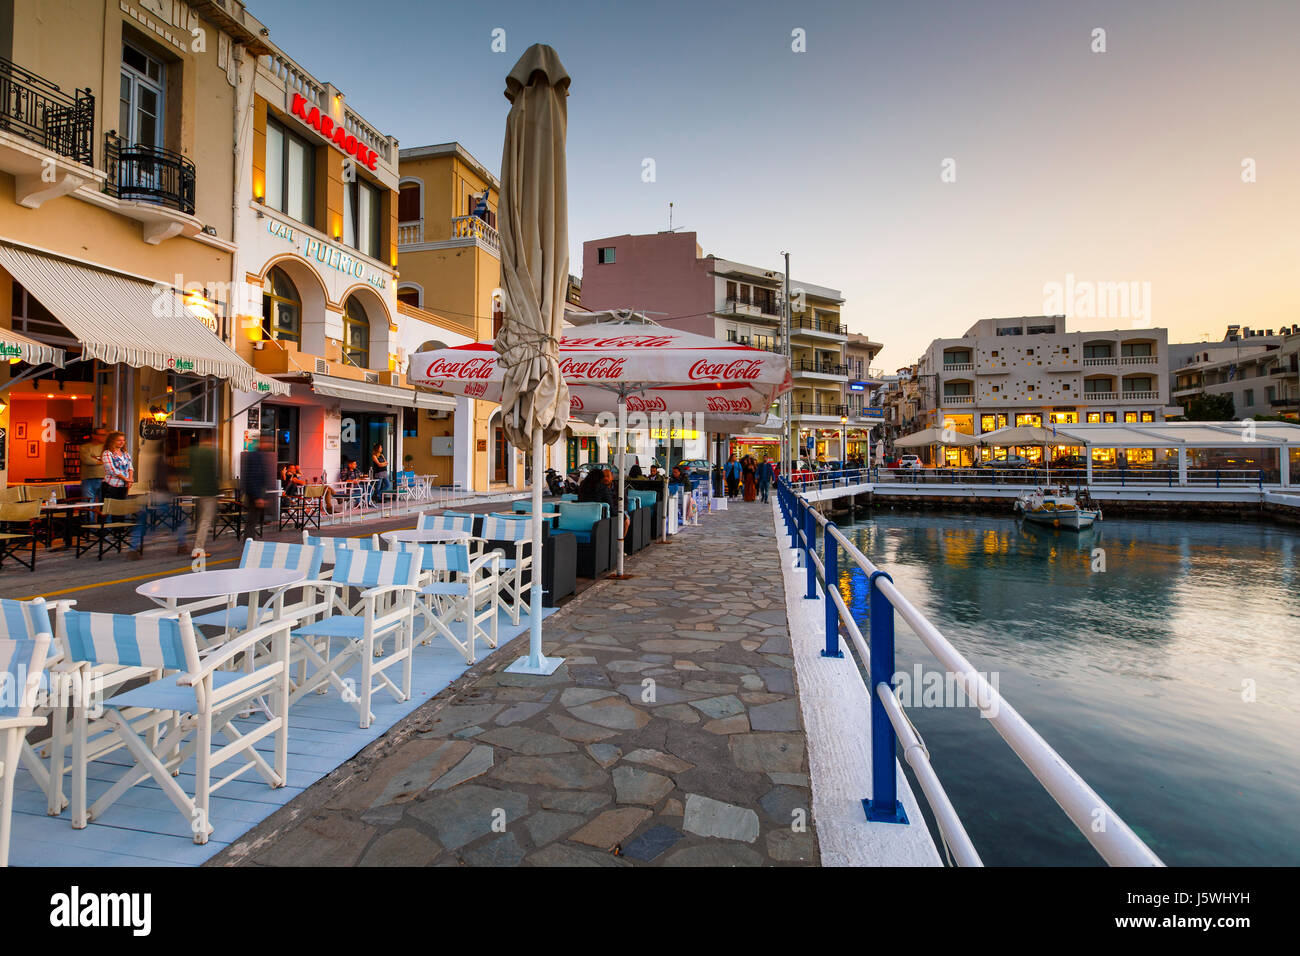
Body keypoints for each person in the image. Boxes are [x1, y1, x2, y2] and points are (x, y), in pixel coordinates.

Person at [128, 440, 183, 558]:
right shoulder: (164, 463)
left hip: (154, 494)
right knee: (178, 521)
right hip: (162, 496)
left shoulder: (157, 460)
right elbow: (166, 481)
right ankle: (182, 545)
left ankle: (134, 547)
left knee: (142, 522)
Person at [188, 433, 219, 559]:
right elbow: (211, 475)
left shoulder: (194, 453)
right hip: (208, 492)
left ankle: (197, 547)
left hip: (198, 491)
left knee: (201, 520)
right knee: (205, 521)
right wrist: (216, 491)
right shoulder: (209, 454)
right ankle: (198, 549)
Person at [240, 433, 275, 540]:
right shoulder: (255, 456)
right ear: (262, 442)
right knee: (252, 520)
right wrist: (257, 497)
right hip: (255, 494)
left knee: (253, 520)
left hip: (258, 493)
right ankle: (249, 543)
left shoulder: (260, 455)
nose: (270, 445)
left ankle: (250, 541)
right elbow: (253, 477)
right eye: (268, 442)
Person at [100, 431, 133, 500]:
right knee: (109, 509)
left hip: (123, 486)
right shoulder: (107, 453)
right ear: (111, 441)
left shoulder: (125, 453)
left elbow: (130, 468)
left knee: (120, 509)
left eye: (123, 440)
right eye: (119, 440)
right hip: (111, 486)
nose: (122, 442)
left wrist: (130, 480)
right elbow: (112, 470)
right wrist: (126, 479)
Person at [79, 427, 107, 502]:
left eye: (105, 435)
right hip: (88, 478)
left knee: (104, 504)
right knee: (88, 503)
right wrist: (101, 460)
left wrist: (95, 457)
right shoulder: (85, 447)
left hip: (105, 479)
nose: (104, 437)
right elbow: (87, 460)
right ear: (93, 436)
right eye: (101, 435)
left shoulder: (107, 448)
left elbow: (108, 460)